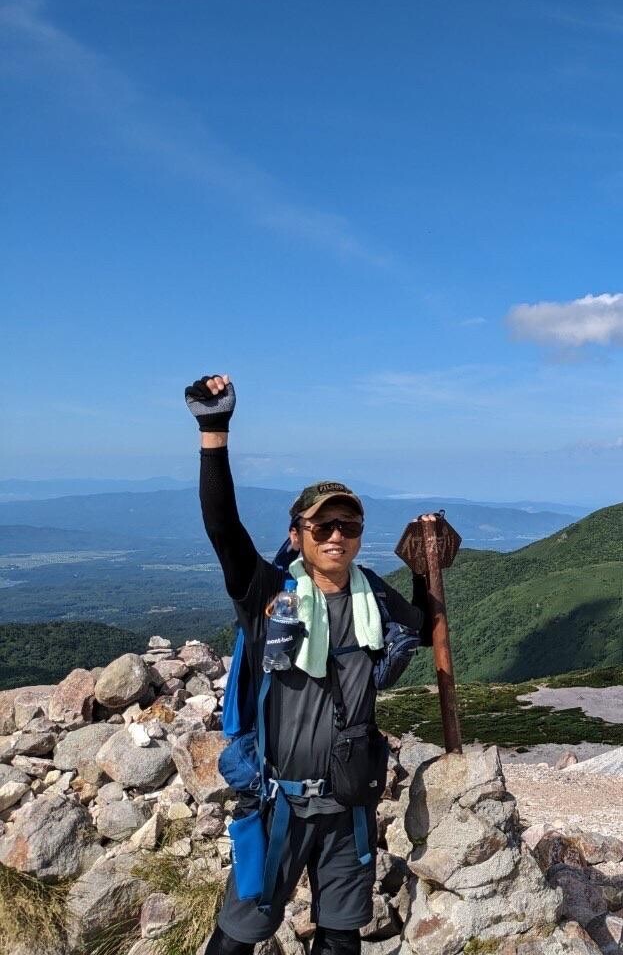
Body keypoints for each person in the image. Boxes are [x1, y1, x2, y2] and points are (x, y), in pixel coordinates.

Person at [187, 373, 432, 955]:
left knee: (342, 936)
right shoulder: (268, 593)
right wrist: (214, 430)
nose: (336, 535)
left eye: (348, 525)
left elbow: (421, 629)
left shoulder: (373, 597)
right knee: (239, 935)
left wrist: (428, 562)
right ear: (297, 535)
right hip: (279, 803)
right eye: (322, 525)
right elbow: (223, 529)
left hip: (349, 802)